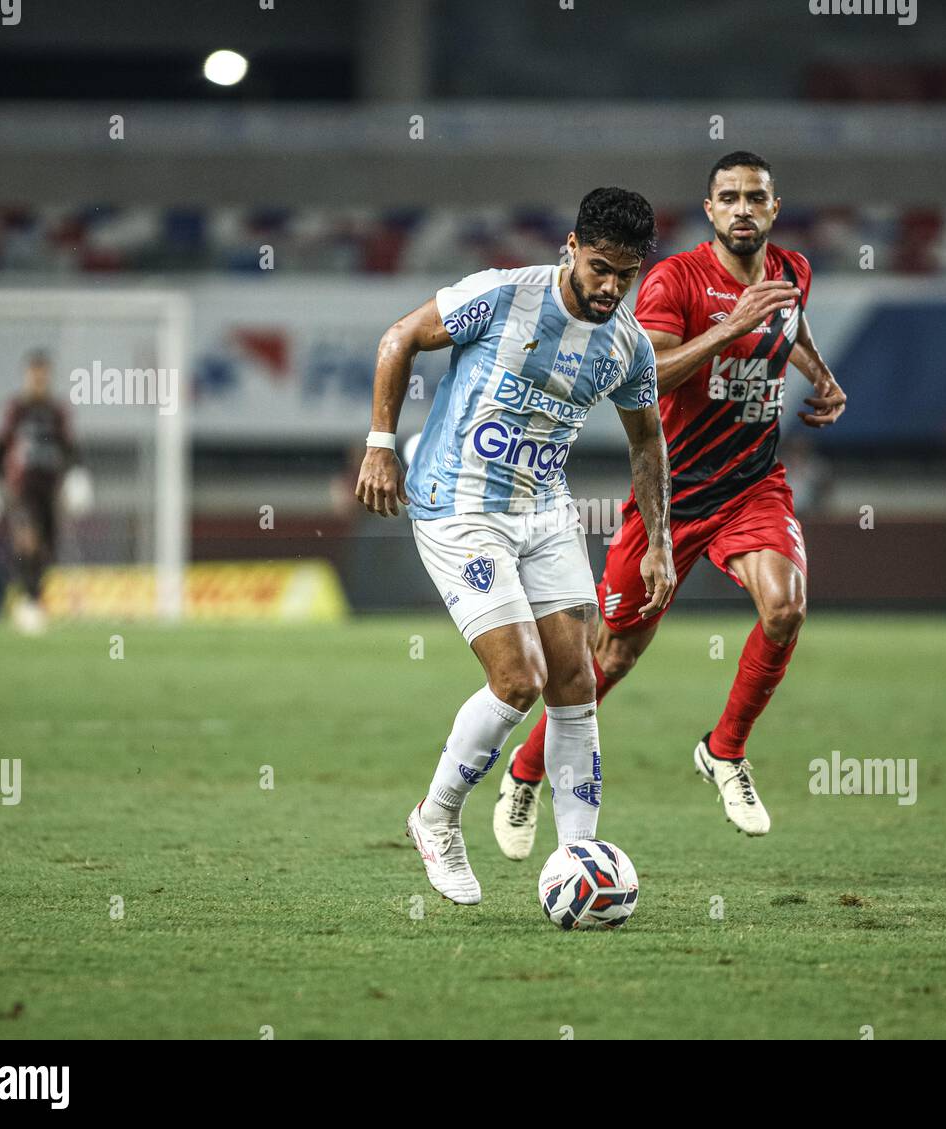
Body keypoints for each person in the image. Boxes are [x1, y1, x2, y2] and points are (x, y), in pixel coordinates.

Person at [494, 152, 847, 856]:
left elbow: (792, 324)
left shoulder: (792, 271)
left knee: (785, 606)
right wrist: (727, 326)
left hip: (751, 483)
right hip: (671, 495)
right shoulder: (674, 280)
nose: (743, 207)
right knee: (614, 657)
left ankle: (725, 750)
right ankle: (526, 773)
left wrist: (822, 377)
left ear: (774, 210)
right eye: (729, 197)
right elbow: (644, 373)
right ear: (710, 210)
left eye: (756, 197)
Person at [355, 187, 676, 905]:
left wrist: (659, 542)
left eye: (626, 274)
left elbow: (648, 442)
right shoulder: (502, 297)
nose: (610, 287)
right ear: (571, 246)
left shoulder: (625, 344)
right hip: (458, 506)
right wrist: (380, 445)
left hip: (544, 512)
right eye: (599, 267)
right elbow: (399, 337)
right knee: (519, 678)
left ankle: (577, 859)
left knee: (576, 682)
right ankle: (434, 816)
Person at [0, 348, 92, 634]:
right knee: (27, 541)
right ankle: (27, 600)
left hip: (50, 489)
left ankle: (34, 599)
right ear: (27, 376)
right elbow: (1, 445)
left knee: (46, 548)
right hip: (22, 487)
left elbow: (69, 446)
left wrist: (77, 474)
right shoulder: (16, 409)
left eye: (43, 375)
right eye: (34, 375)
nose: (39, 381)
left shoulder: (57, 410)